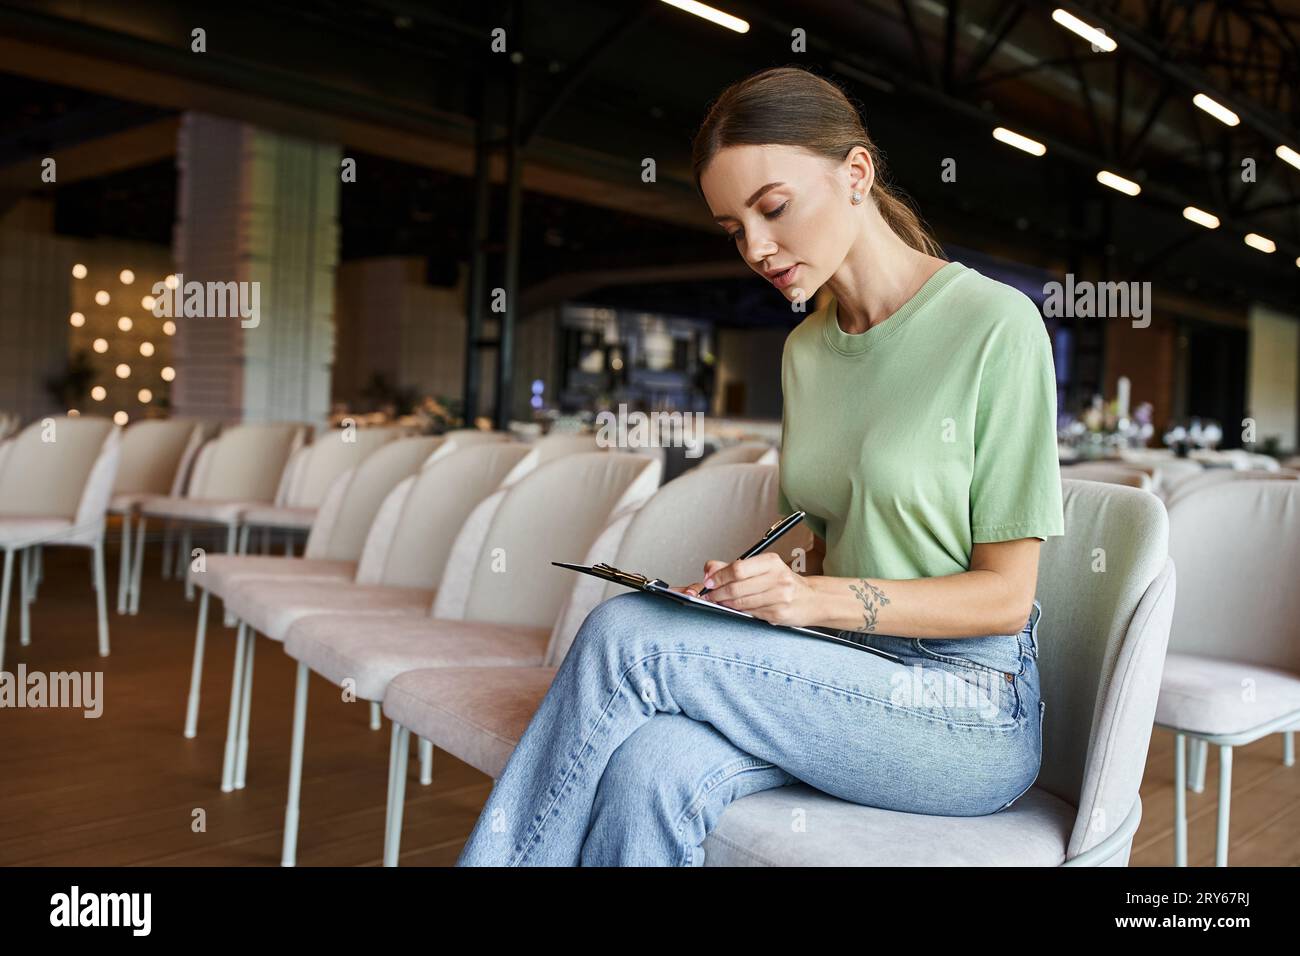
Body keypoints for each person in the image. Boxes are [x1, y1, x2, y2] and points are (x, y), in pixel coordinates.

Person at [456, 66, 1064, 867]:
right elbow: (814, 541)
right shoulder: (807, 349)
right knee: (650, 768)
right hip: (838, 675)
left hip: (963, 708)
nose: (757, 249)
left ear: (856, 174)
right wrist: (746, 590)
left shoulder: (995, 325)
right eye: (733, 228)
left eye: (773, 209)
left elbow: (1006, 600)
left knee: (628, 639)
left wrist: (809, 597)